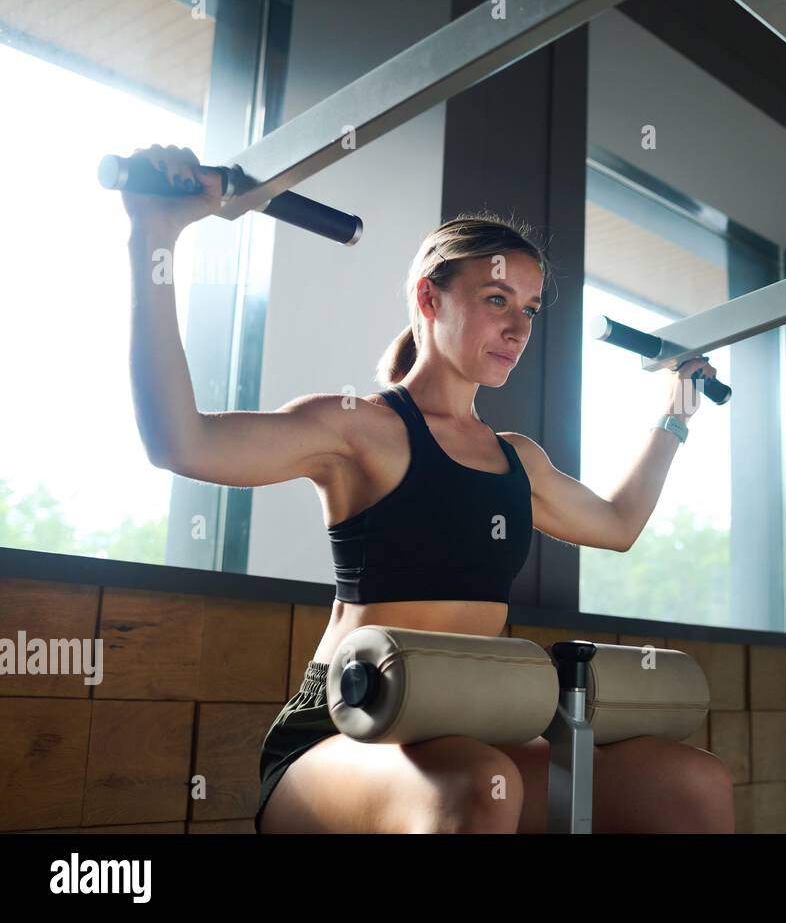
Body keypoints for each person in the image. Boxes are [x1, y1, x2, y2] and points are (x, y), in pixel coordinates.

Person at [120, 144, 735, 833]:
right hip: (347, 730)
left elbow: (618, 524)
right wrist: (154, 234)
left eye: (530, 309)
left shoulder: (518, 461)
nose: (518, 328)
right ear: (428, 297)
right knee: (479, 786)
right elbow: (181, 442)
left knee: (690, 783)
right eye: (497, 300)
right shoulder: (360, 429)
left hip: (471, 730)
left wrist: (677, 412)